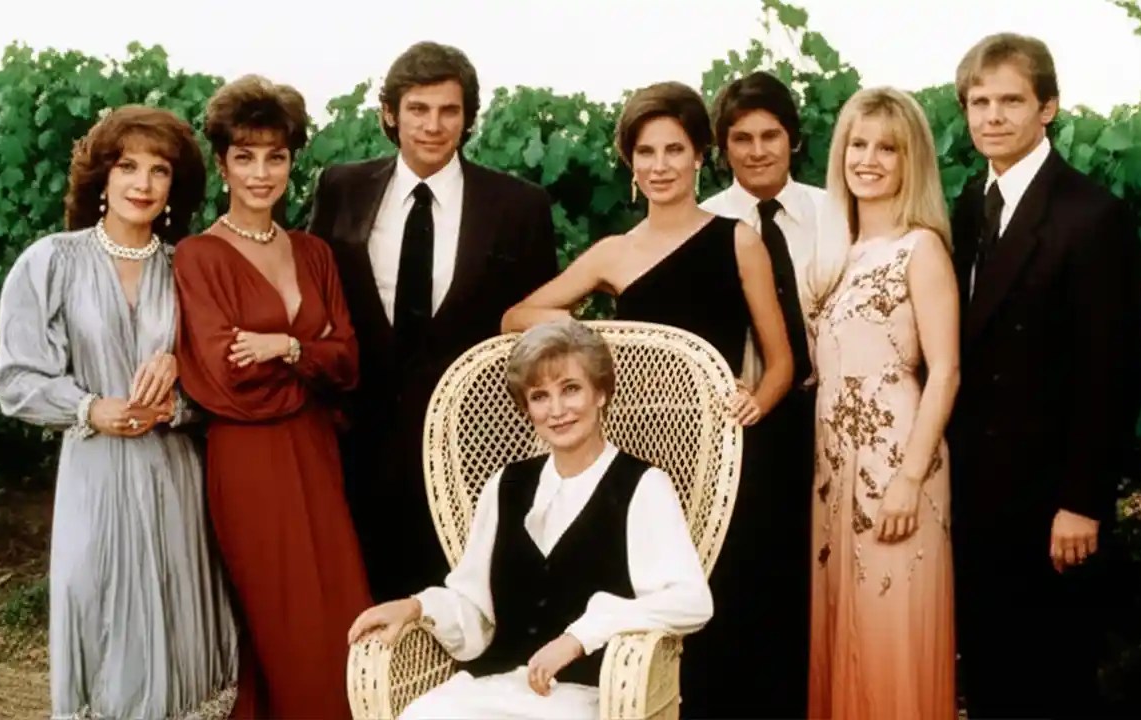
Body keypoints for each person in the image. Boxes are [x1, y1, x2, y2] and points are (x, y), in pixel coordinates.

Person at [501, 80, 793, 718]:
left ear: (699, 156)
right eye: (646, 152)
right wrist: (598, 334)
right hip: (644, 452)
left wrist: (758, 403)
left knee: (733, 611)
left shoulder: (738, 238)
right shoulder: (614, 253)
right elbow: (516, 317)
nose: (660, 165)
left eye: (674, 149)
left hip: (721, 452)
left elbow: (782, 363)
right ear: (630, 163)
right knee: (651, 600)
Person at [0, 105, 236, 719]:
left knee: (176, 622)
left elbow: (224, 383)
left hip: (175, 476)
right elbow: (15, 378)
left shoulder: (190, 268)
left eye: (159, 170)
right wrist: (89, 407)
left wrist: (178, 399)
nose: (142, 183)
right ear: (102, 174)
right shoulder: (51, 261)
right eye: (128, 166)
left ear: (175, 185)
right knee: (96, 604)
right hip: (94, 475)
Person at [348, 319, 712, 720]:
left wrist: (580, 636)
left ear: (601, 393)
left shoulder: (642, 486)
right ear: (527, 408)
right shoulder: (506, 485)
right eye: (540, 396)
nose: (556, 411)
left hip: (590, 697)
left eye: (570, 389)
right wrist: (416, 608)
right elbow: (474, 606)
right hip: (496, 688)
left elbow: (691, 600)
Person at [307, 41, 558, 603]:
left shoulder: (519, 206)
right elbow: (315, 294)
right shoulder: (341, 188)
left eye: (449, 110)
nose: (433, 125)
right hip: (358, 444)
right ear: (390, 113)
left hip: (470, 447)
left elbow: (534, 333)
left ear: (468, 118)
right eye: (418, 109)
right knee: (363, 606)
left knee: (464, 605)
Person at [948, 33, 1141, 718]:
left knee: (1053, 682)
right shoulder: (970, 204)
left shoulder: (1092, 216)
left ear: (1048, 108)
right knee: (991, 676)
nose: (992, 116)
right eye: (979, 102)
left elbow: (1112, 370)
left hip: (1051, 504)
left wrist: (1082, 501)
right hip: (976, 494)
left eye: (1010, 101)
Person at [173, 75, 371, 719]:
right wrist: (311, 354)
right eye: (245, 156)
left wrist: (283, 348)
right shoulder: (198, 256)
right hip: (249, 459)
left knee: (342, 612)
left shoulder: (313, 253)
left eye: (275, 156)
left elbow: (348, 361)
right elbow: (227, 379)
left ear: (291, 162)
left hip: (316, 451)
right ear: (223, 165)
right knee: (285, 623)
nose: (261, 173)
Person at [803, 86, 959, 719]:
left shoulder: (921, 248)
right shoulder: (836, 256)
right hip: (833, 476)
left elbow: (945, 371)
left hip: (898, 470)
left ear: (910, 160)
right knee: (846, 633)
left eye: (887, 149)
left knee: (891, 638)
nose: (868, 160)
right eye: (858, 144)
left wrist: (909, 479)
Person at [698, 70, 822, 716]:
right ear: (722, 148)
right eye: (740, 139)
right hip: (744, 423)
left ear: (793, 139)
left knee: (816, 577)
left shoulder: (835, 214)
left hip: (827, 415)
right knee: (751, 576)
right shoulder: (705, 224)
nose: (756, 151)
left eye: (770, 135)